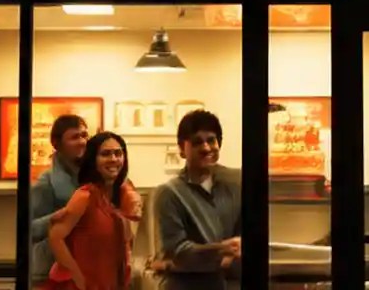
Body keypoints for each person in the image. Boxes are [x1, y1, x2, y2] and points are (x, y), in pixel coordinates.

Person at [152, 110, 242, 290]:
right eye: (197, 142)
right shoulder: (169, 194)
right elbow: (177, 252)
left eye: (211, 140)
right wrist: (223, 249)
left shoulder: (237, 182)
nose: (206, 148)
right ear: (181, 149)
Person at [46, 132, 143, 290]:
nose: (113, 159)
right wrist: (77, 276)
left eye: (118, 153)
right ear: (93, 160)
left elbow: (127, 241)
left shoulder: (123, 195)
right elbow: (55, 236)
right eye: (105, 154)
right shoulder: (85, 196)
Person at [31, 115, 88, 286]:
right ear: (57, 144)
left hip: (85, 270)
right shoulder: (46, 182)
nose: (82, 141)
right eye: (74, 137)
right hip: (50, 274)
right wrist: (57, 217)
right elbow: (29, 229)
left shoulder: (93, 178)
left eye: (84, 135)